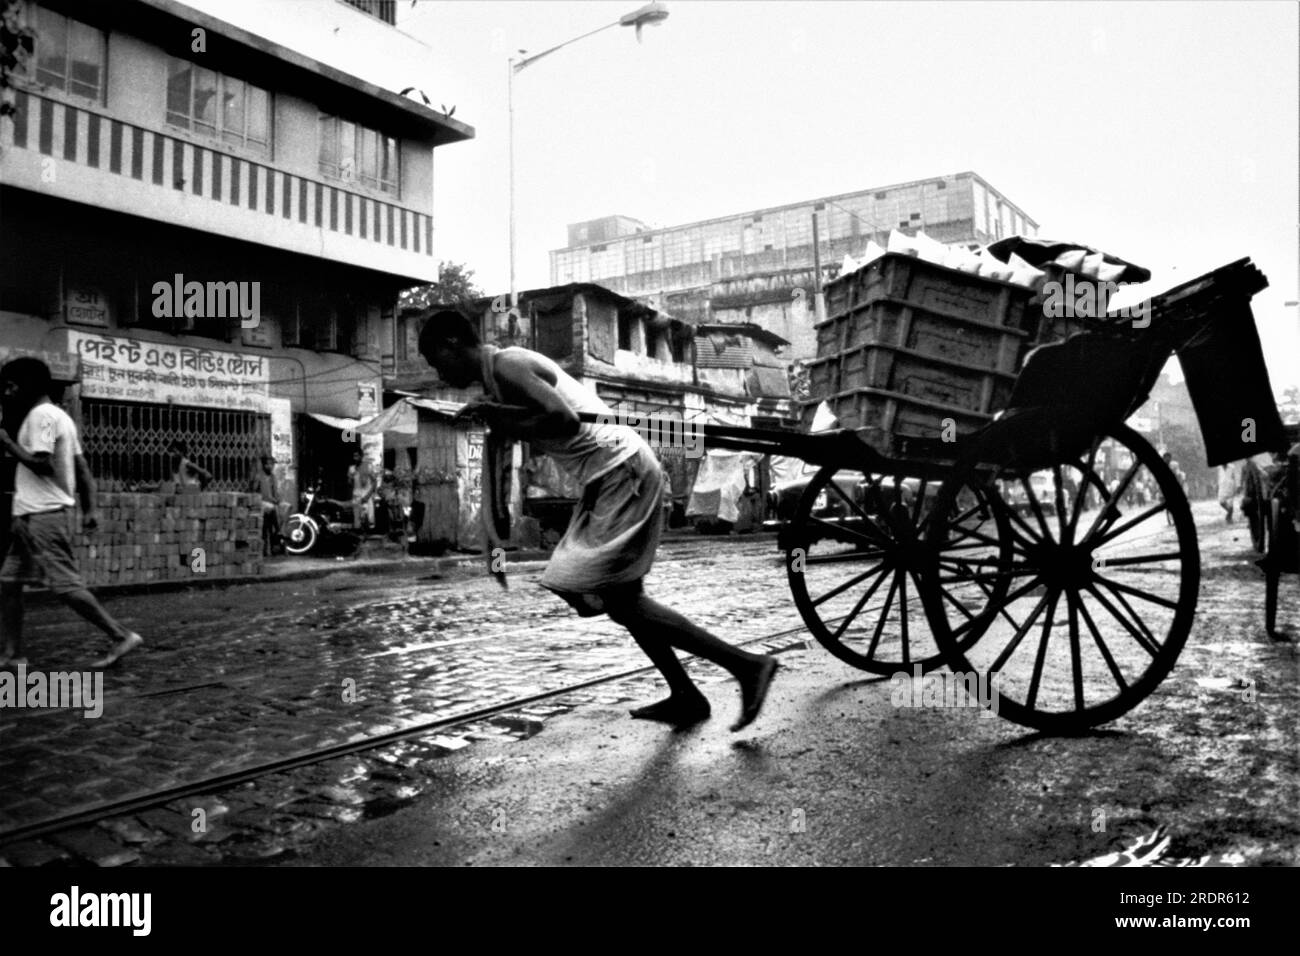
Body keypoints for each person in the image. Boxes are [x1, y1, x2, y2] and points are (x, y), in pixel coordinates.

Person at [418, 310, 779, 731]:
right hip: (608, 475)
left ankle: (748, 666)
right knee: (624, 601)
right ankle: (686, 693)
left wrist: (499, 417)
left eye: (434, 360)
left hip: (620, 469)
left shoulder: (507, 365)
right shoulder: (498, 377)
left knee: (605, 593)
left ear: (451, 344)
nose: (437, 371)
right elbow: (529, 425)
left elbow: (563, 419)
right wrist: (495, 418)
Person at [0, 358, 144, 668]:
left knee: (65, 586)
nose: (8, 393)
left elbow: (43, 464)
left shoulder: (43, 417)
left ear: (26, 387)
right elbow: (82, 469)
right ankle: (12, 655)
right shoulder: (59, 416)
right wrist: (90, 508)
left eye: (11, 387)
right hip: (30, 516)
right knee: (8, 584)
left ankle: (120, 635)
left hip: (44, 517)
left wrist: (8, 443)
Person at [252, 456, 288, 553]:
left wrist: (278, 500)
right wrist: (272, 500)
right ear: (263, 465)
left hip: (271, 501)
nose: (270, 466)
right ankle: (278, 531)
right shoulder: (259, 476)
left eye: (272, 464)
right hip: (261, 501)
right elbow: (256, 492)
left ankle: (280, 530)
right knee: (272, 508)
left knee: (287, 507)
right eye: (267, 464)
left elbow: (275, 492)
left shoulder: (273, 477)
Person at [348, 450, 377, 532]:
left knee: (370, 521)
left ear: (361, 457)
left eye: (357, 456)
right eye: (354, 456)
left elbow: (374, 482)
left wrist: (368, 495)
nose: (355, 458)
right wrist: (351, 478)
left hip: (367, 496)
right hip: (356, 496)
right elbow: (350, 484)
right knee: (357, 522)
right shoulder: (351, 468)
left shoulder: (368, 466)